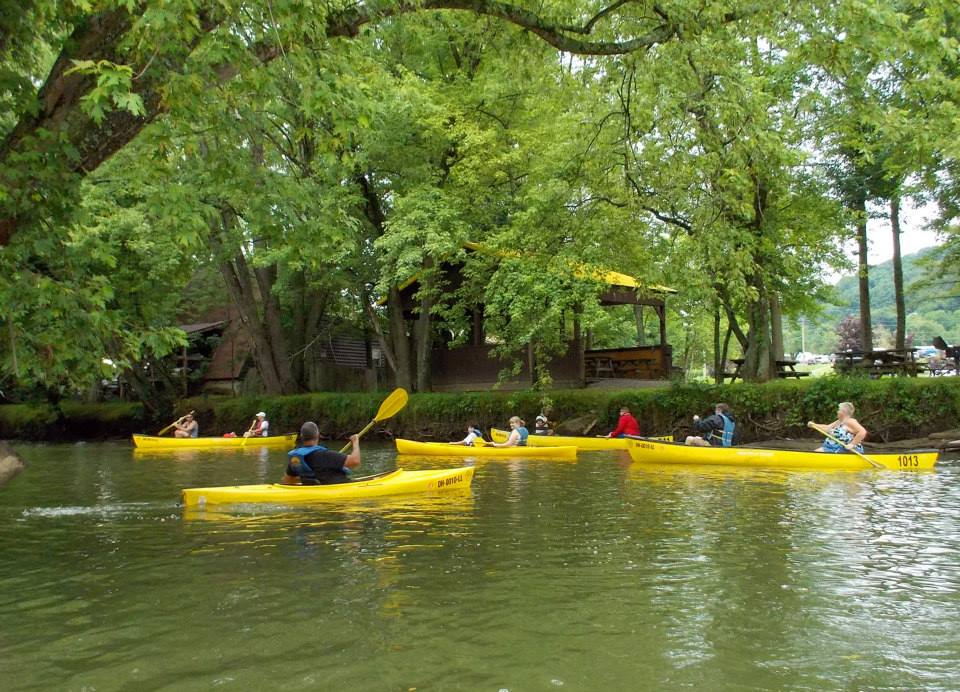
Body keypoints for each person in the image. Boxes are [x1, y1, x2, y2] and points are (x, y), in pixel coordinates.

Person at [282, 421, 360, 485]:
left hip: (311, 490)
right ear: (318, 435)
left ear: (302, 437)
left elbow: (288, 480)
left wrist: (305, 478)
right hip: (336, 491)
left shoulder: (295, 458)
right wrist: (355, 442)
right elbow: (355, 461)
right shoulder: (325, 455)